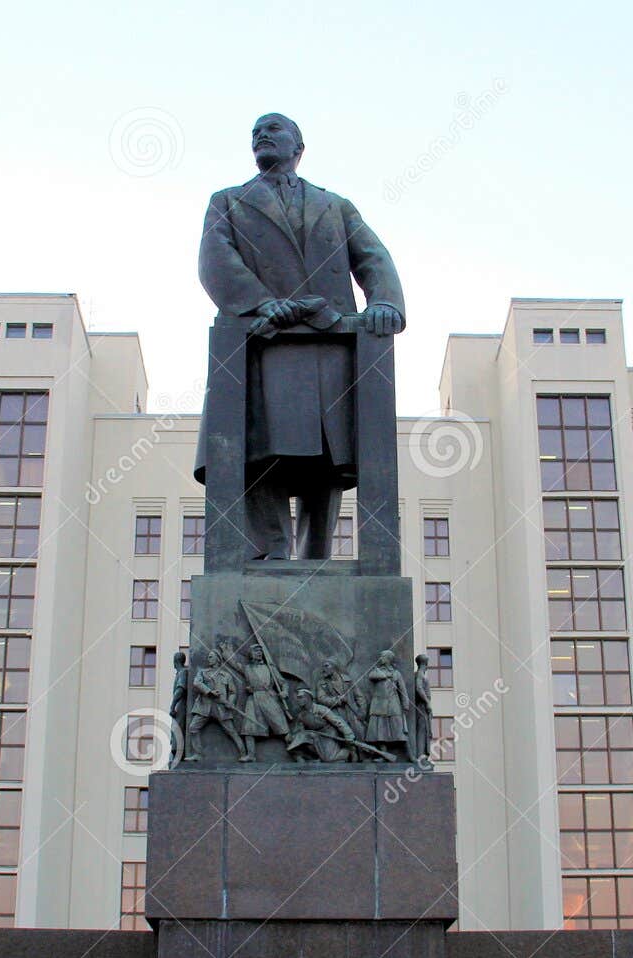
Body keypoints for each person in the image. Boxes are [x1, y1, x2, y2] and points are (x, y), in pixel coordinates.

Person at [194, 112, 406, 560]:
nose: (261, 136)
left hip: (329, 349)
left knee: (327, 456)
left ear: (299, 147)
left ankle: (316, 558)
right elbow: (216, 258)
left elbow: (372, 256)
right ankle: (270, 553)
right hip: (266, 346)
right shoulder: (228, 201)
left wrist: (384, 301)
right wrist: (261, 302)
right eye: (255, 132)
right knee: (261, 448)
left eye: (273, 129)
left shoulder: (335, 206)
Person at [185, 650, 251, 762]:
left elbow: (233, 691)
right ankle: (198, 754)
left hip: (221, 707)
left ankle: (244, 754)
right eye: (208, 657)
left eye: (211, 657)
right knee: (193, 728)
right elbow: (196, 683)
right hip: (204, 707)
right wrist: (210, 692)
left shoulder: (226, 675)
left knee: (231, 731)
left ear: (218, 659)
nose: (208, 659)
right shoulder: (203, 673)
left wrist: (230, 702)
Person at [363, 650, 410, 752]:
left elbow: (403, 690)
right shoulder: (377, 671)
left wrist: (406, 705)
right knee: (380, 730)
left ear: (388, 659)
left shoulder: (396, 673)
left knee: (399, 728)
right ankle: (383, 752)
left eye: (382, 657)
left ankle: (409, 754)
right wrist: (386, 676)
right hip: (379, 704)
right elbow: (371, 676)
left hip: (393, 703)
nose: (380, 659)